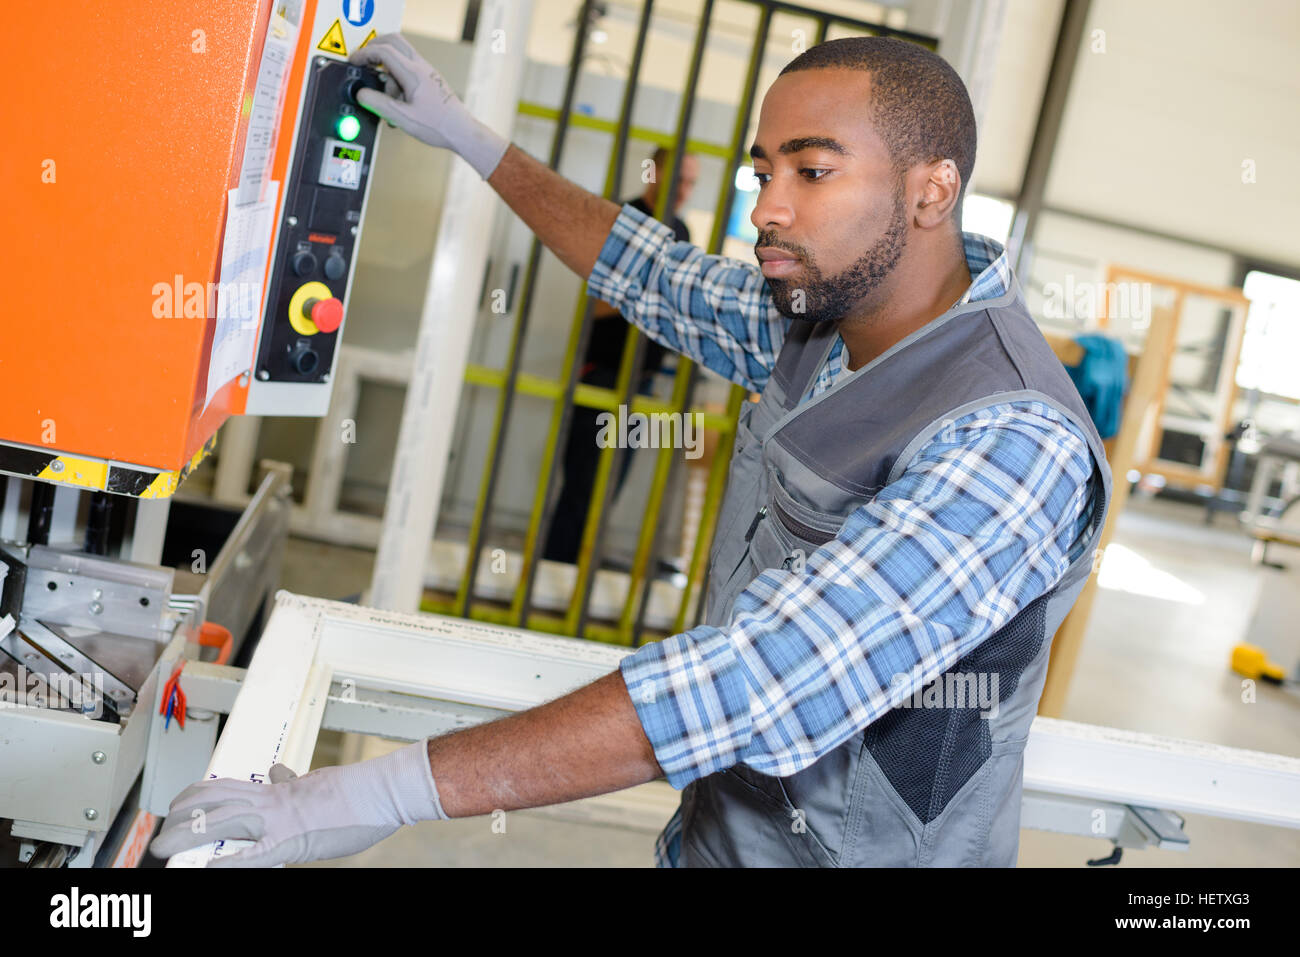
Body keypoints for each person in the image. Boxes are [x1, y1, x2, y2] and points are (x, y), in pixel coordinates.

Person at [151, 33, 1110, 868]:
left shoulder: (1010, 436)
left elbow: (761, 677)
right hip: (718, 840)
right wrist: (473, 140)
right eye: (761, 172)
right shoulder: (825, 315)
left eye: (811, 172)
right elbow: (653, 271)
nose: (767, 209)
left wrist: (368, 795)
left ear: (931, 189)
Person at [543, 147, 698, 564]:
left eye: (690, 183)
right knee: (584, 482)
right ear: (654, 175)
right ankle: (554, 572)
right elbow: (595, 303)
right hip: (602, 374)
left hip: (642, 380)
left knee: (612, 483)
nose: (684, 190)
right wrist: (650, 289)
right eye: (678, 179)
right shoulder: (620, 219)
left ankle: (576, 573)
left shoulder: (680, 230)